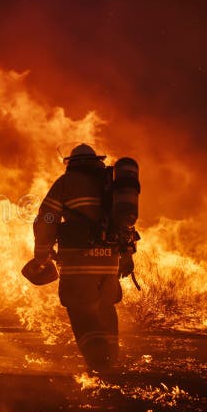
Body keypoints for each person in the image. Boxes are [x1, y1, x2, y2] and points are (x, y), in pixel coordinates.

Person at [32, 144, 139, 371]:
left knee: (81, 312)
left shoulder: (66, 183)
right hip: (109, 263)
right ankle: (112, 361)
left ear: (72, 163)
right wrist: (127, 256)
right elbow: (126, 223)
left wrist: (42, 252)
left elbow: (48, 217)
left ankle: (98, 365)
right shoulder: (109, 184)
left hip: (78, 263)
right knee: (106, 310)